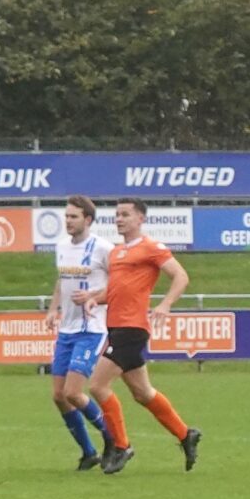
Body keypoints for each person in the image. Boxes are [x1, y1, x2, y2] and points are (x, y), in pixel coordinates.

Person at [87, 199, 202, 474]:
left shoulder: (150, 247)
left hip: (132, 328)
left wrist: (165, 304)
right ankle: (186, 435)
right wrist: (95, 298)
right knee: (143, 393)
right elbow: (117, 290)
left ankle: (122, 445)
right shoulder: (116, 253)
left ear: (140, 219)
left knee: (98, 386)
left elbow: (180, 276)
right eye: (116, 215)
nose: (119, 219)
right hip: (116, 327)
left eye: (125, 214)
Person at [43, 197, 119, 471]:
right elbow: (61, 282)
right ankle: (89, 452)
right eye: (66, 216)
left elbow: (119, 285)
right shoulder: (62, 246)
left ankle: (111, 436)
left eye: (73, 217)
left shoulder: (103, 249)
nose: (68, 221)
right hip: (67, 329)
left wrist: (93, 295)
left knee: (74, 392)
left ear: (88, 219)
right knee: (58, 396)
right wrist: (53, 310)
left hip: (91, 328)